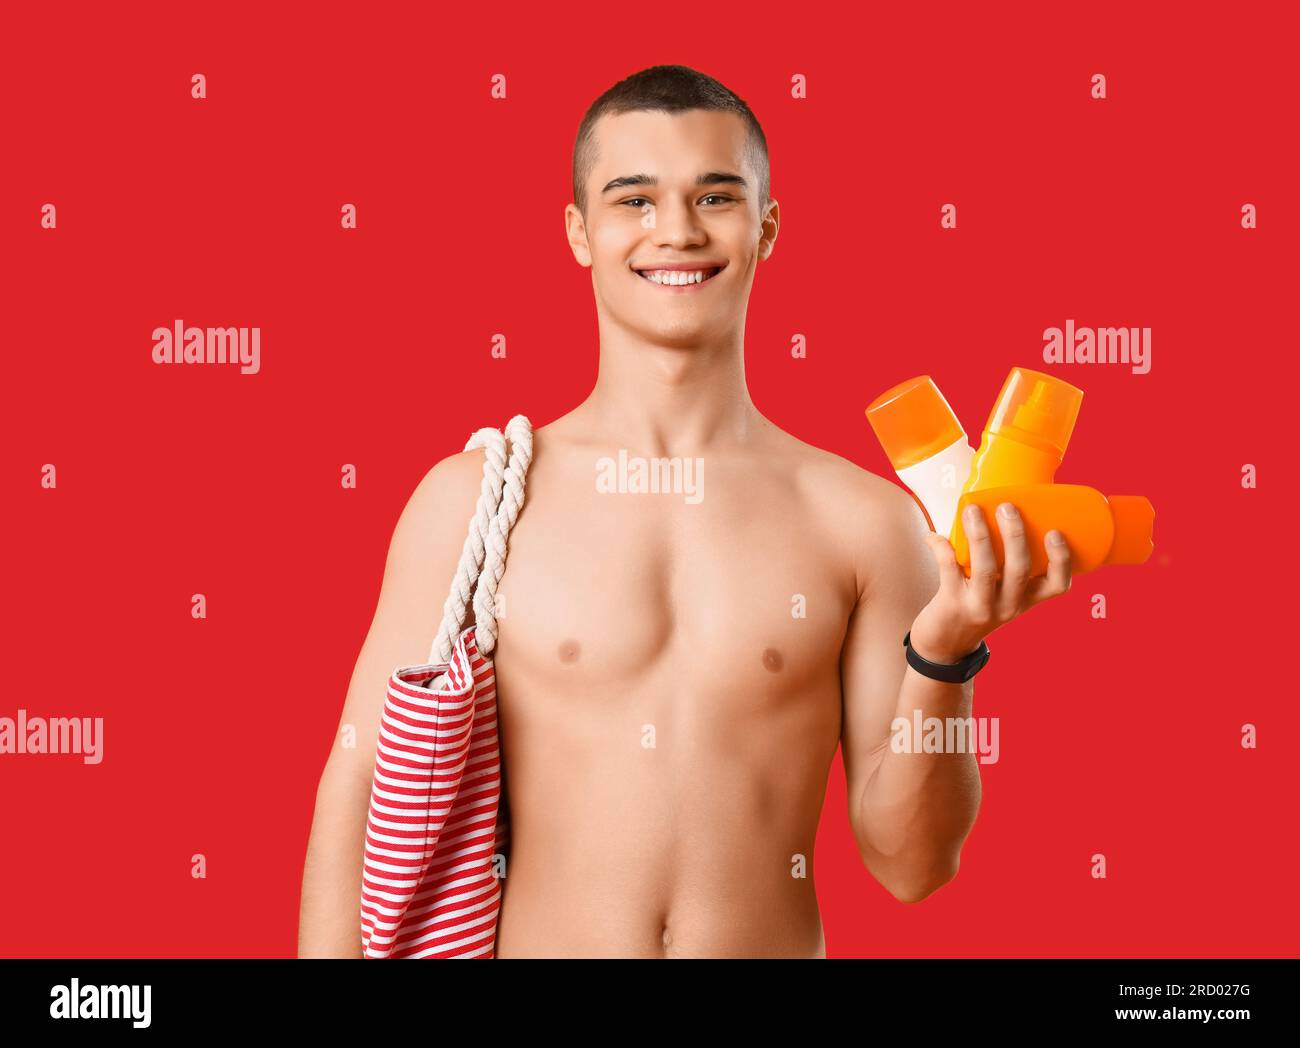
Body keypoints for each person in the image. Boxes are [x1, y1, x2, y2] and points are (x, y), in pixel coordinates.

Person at [297, 64, 1072, 959]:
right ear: (579, 232)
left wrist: (946, 653)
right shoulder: (474, 502)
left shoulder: (862, 522)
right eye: (634, 199)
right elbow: (359, 790)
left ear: (766, 227)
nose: (677, 230)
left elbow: (912, 866)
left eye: (715, 197)